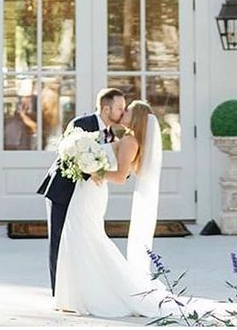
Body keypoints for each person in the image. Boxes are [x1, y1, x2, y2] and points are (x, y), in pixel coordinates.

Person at [52, 99, 165, 318]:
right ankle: (72, 295)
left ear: (138, 117)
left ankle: (92, 295)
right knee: (77, 237)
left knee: (87, 238)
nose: (123, 113)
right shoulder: (123, 137)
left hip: (93, 191)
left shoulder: (131, 141)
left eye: (128, 111)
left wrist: (96, 172)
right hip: (87, 191)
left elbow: (121, 176)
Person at [36, 86, 127, 296]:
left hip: (88, 196)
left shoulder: (117, 133)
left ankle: (83, 288)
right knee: (59, 240)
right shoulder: (81, 124)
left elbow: (118, 166)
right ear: (106, 109)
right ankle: (59, 292)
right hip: (63, 190)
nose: (124, 112)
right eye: (120, 108)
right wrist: (91, 170)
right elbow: (66, 157)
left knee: (85, 240)